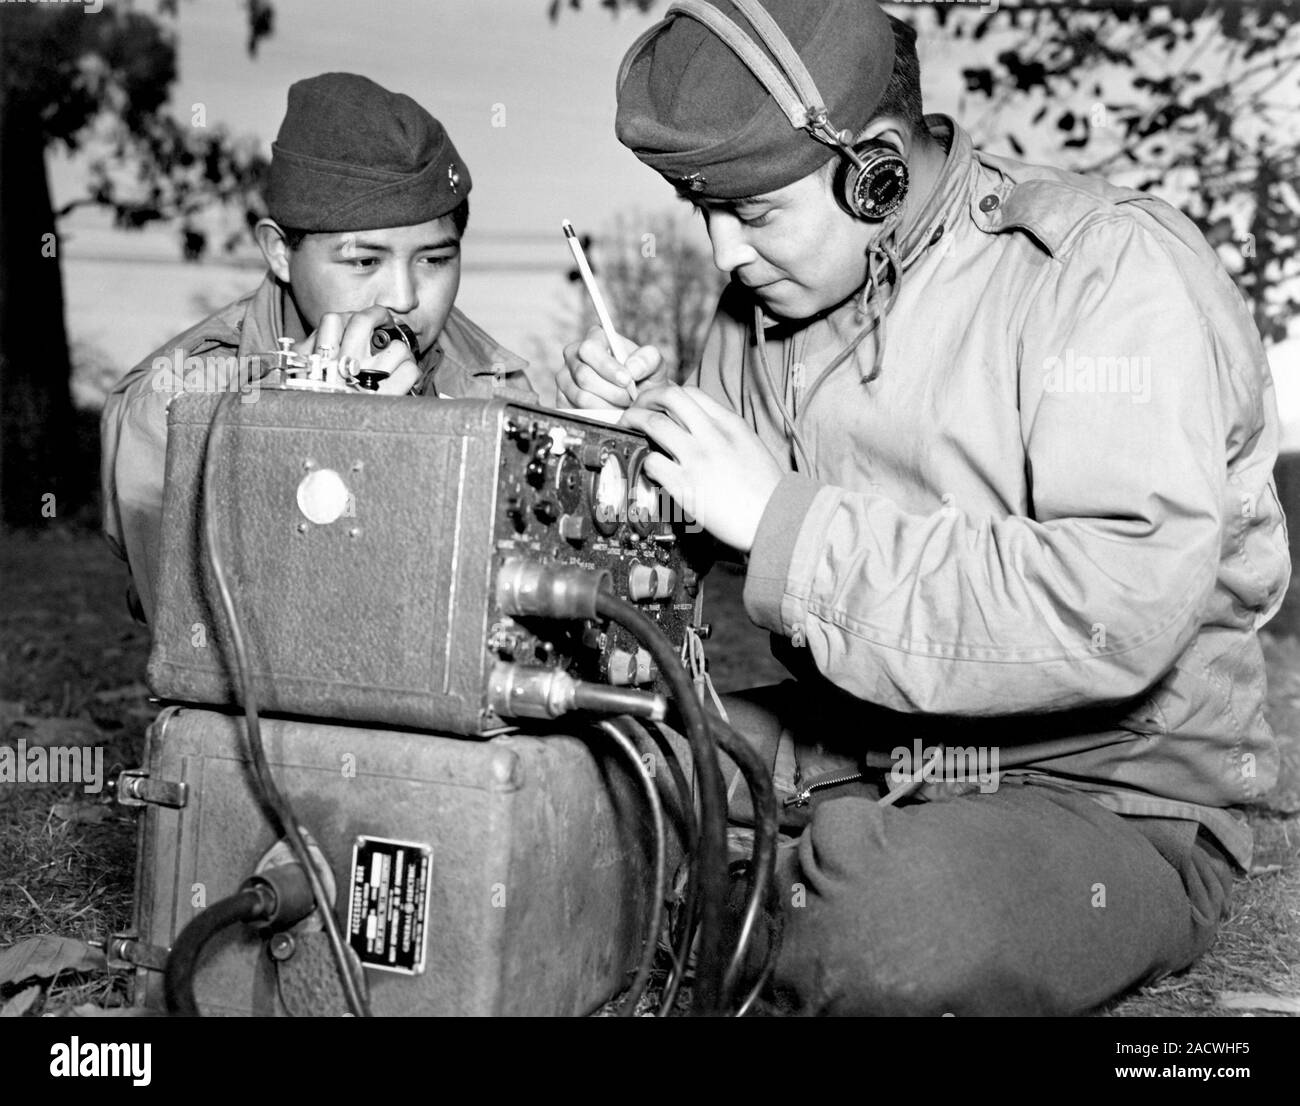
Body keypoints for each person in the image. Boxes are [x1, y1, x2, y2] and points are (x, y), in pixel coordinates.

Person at [557, 0, 1291, 1015]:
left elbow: (1112, 607)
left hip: (1102, 797)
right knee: (568, 789)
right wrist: (638, 448)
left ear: (876, 169)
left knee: (887, 930)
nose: (724, 254)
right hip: (846, 765)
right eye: (701, 210)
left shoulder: (1106, 273)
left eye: (755, 213)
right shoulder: (764, 308)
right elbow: (707, 542)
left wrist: (786, 526)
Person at [101, 72, 543, 624]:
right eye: (363, 262)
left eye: (434, 260)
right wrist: (304, 440)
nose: (403, 298)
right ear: (280, 253)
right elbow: (200, 631)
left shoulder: (492, 383)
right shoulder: (175, 406)